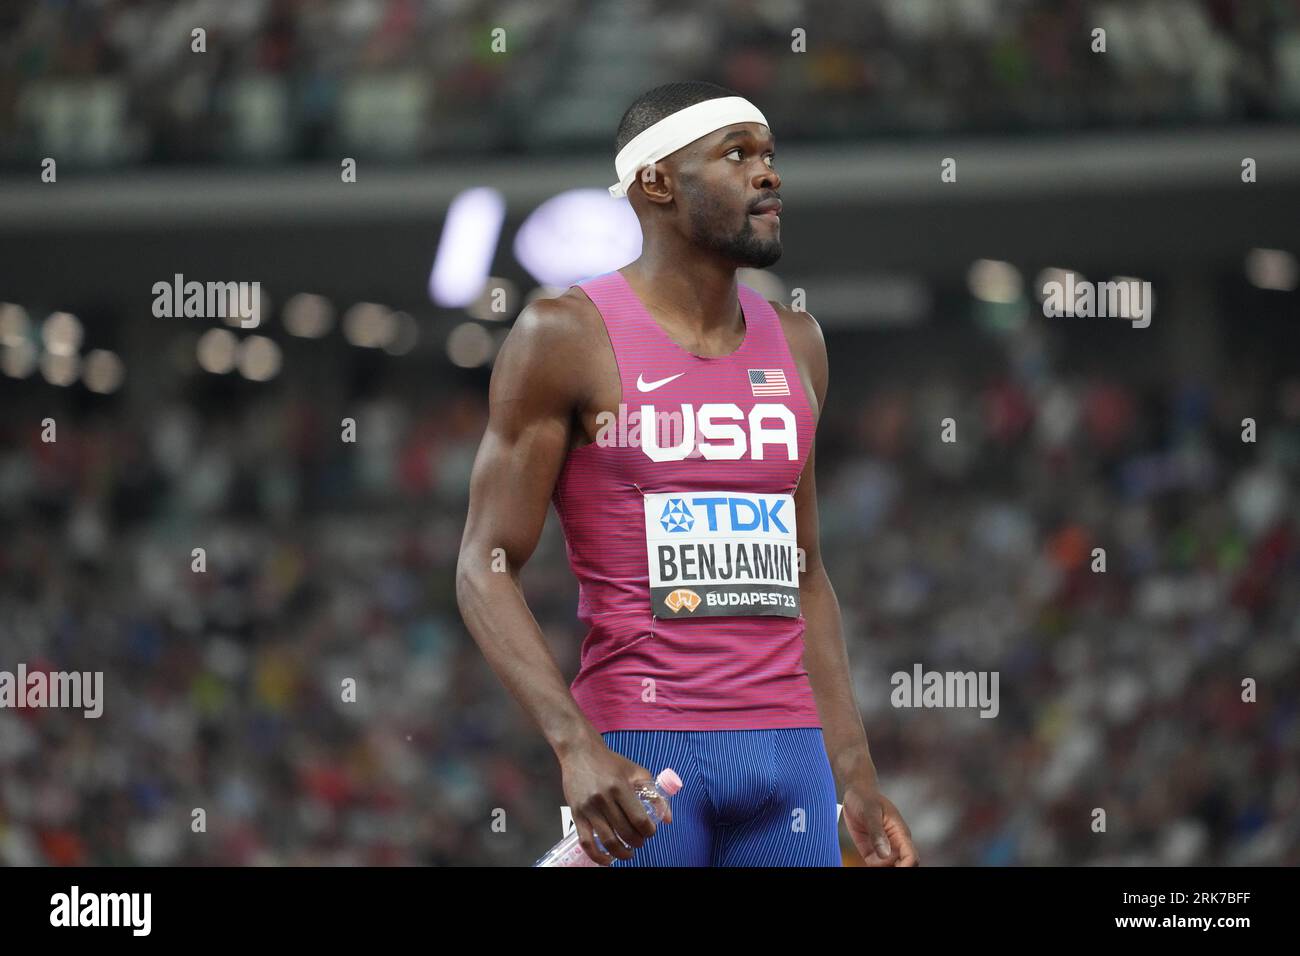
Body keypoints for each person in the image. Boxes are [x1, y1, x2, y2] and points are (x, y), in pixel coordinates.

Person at [457, 80, 917, 867]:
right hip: (646, 749)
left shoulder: (798, 343)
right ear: (657, 183)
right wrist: (575, 746)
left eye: (769, 156)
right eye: (736, 155)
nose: (767, 174)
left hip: (790, 758)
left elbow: (805, 572)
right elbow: (484, 564)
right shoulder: (565, 335)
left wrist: (853, 771)